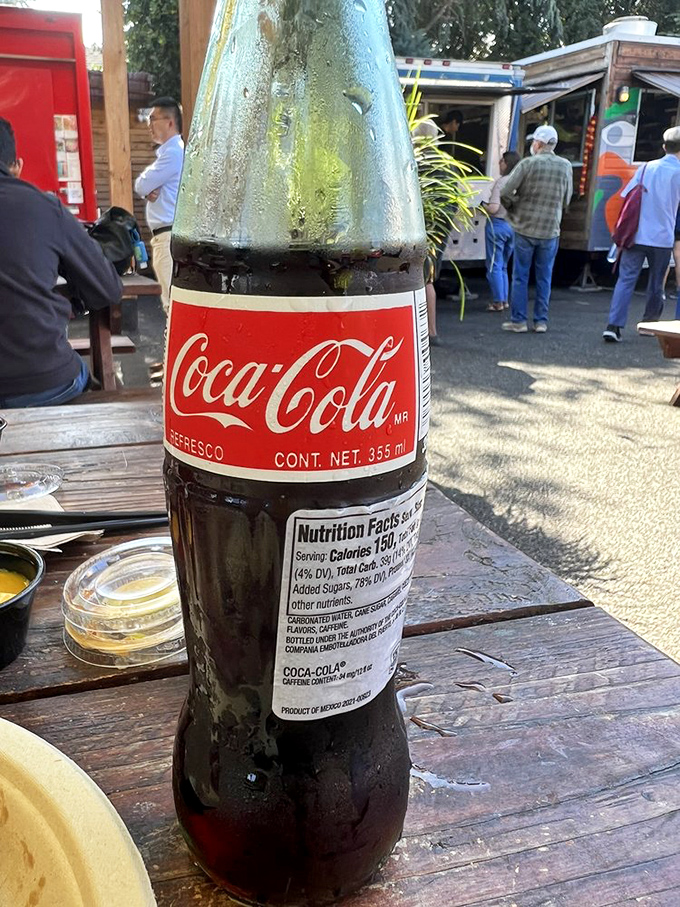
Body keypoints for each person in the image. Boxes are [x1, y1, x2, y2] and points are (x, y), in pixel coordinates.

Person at [0, 117, 122, 408]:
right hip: (41, 380)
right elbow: (108, 289)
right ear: (16, 166)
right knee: (83, 373)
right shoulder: (44, 207)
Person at [500, 125, 573, 333]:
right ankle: (541, 321)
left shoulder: (528, 164)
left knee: (520, 276)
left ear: (539, 143)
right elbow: (567, 198)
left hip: (525, 228)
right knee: (544, 277)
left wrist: (514, 205)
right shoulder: (566, 166)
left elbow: (505, 191)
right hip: (551, 230)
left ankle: (518, 321)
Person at [134, 97, 184, 314]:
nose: (148, 125)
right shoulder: (171, 153)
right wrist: (149, 190)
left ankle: (171, 348)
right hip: (166, 235)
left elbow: (141, 184)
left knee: (171, 304)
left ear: (170, 122)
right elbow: (146, 187)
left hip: (168, 235)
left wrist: (148, 189)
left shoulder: (173, 154)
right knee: (170, 300)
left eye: (153, 119)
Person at [480, 151, 520, 312]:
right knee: (503, 265)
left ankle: (497, 301)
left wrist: (482, 204)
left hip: (498, 225)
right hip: (513, 226)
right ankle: (504, 300)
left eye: (502, 161)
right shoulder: (519, 181)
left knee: (494, 265)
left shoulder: (502, 182)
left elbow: (494, 207)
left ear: (507, 163)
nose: (499, 163)